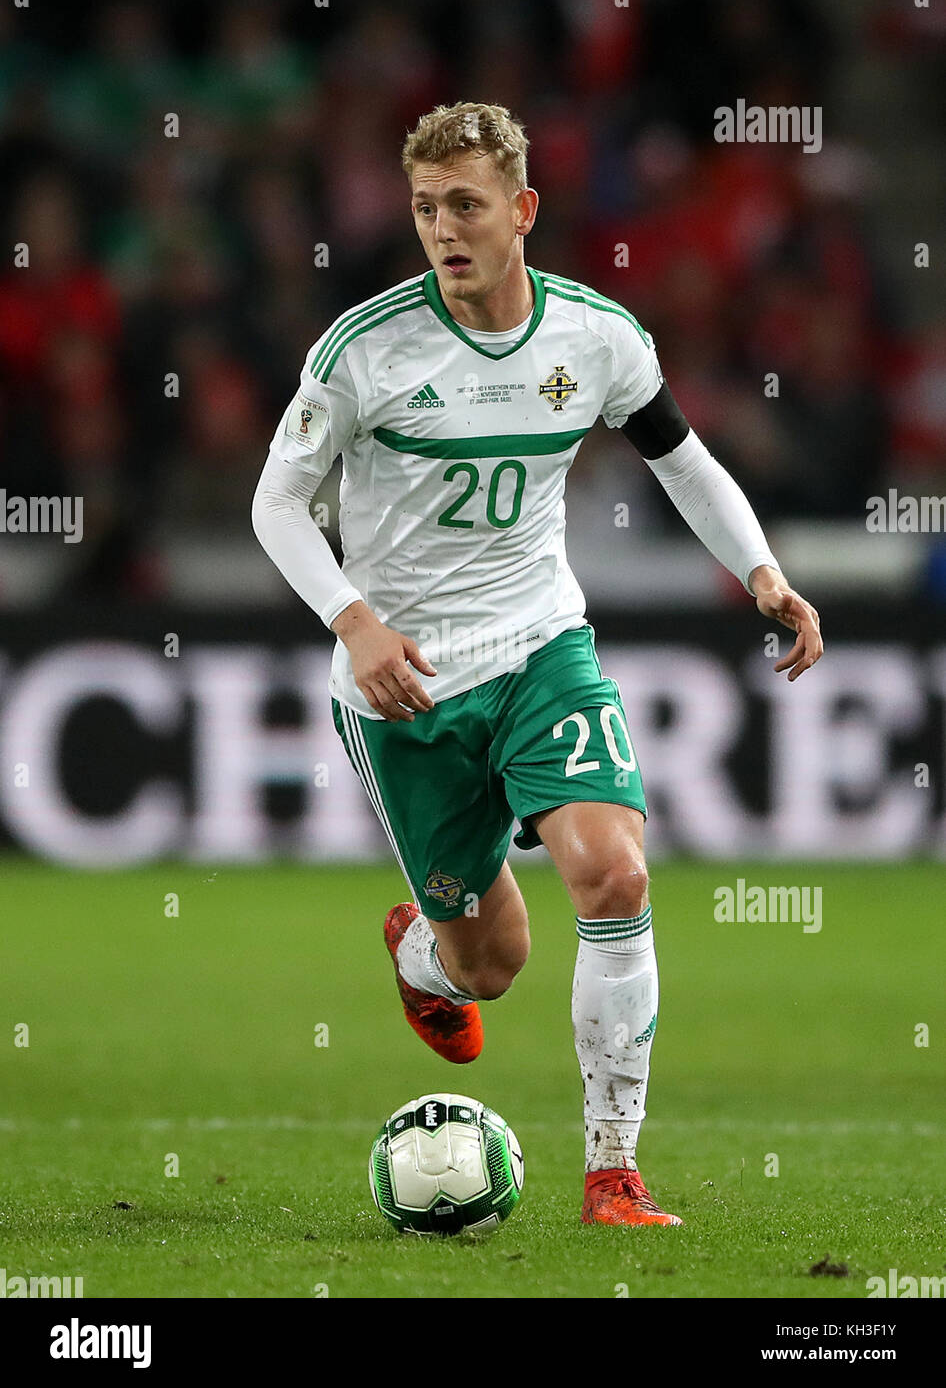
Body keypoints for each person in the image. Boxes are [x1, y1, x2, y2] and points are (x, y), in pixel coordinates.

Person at [252, 101, 823, 1226]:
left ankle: (612, 1170)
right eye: (423, 208)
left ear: (522, 211)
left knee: (613, 875)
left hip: (539, 647)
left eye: (465, 206)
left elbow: (685, 461)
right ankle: (424, 946)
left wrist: (760, 571)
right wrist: (353, 619)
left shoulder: (595, 337)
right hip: (404, 683)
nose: (442, 230)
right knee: (490, 965)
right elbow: (274, 503)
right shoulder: (362, 351)